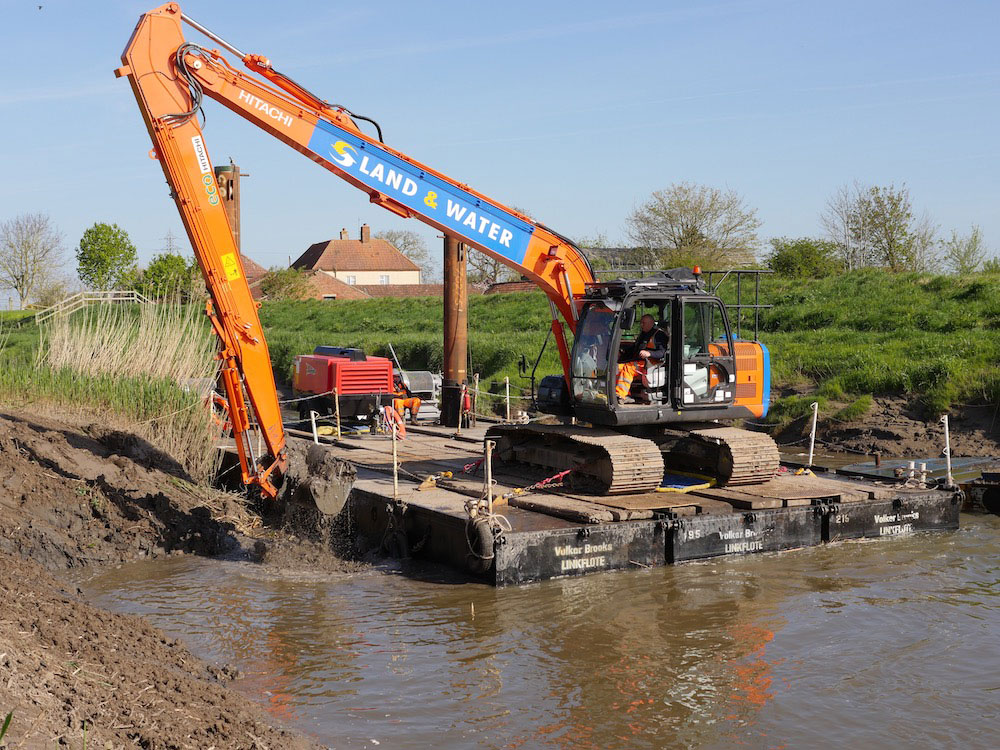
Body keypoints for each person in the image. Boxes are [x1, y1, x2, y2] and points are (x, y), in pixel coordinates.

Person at [616, 313, 669, 402]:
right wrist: (622, 352)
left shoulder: (659, 335)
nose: (641, 325)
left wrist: (649, 353)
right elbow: (635, 348)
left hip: (652, 364)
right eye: (641, 323)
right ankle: (621, 393)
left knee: (629, 368)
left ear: (651, 323)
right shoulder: (643, 334)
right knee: (618, 367)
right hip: (640, 363)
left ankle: (620, 395)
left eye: (643, 323)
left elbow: (662, 353)